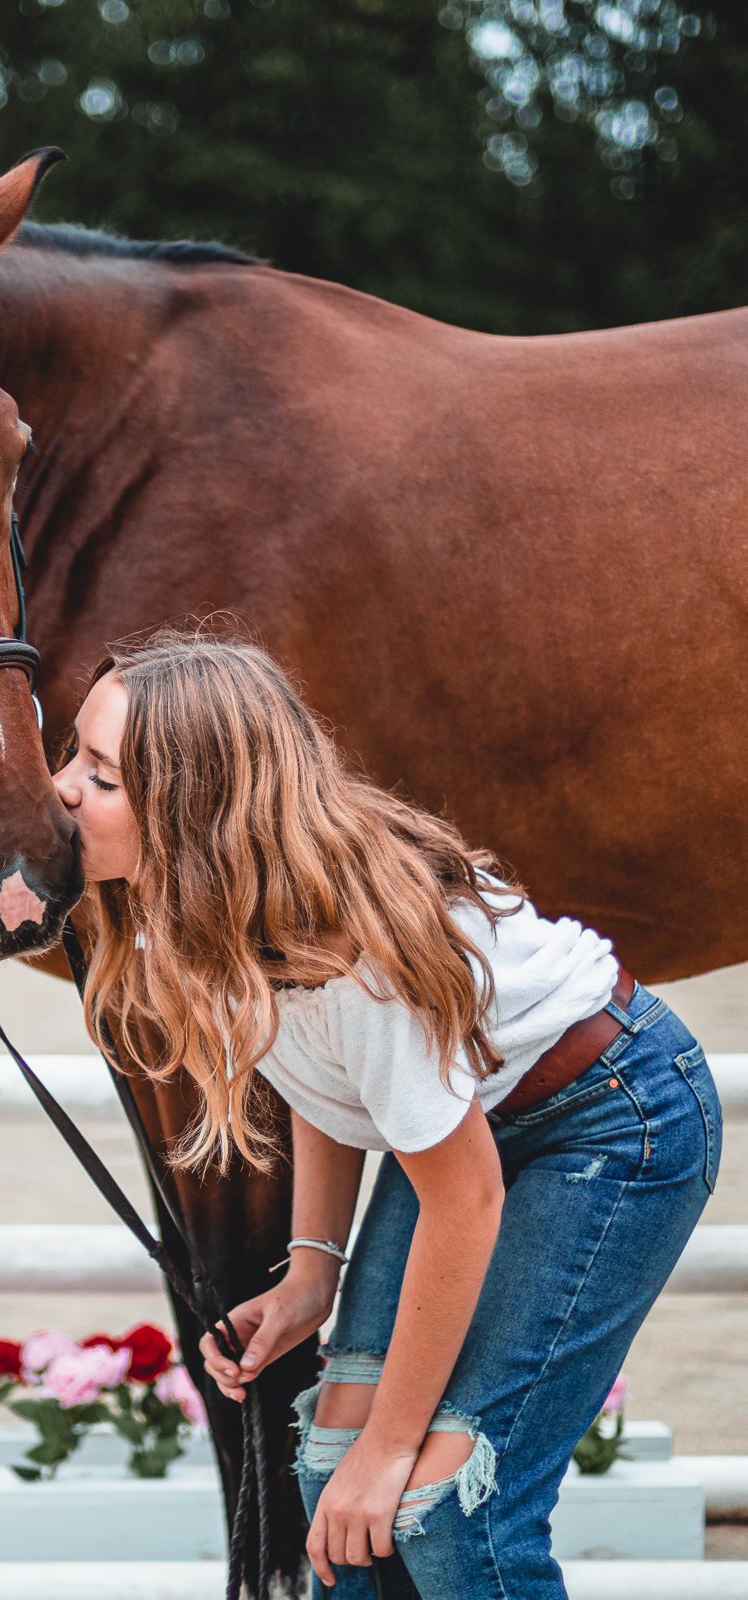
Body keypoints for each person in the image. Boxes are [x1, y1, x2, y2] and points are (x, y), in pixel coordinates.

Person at [50, 630, 720, 1599]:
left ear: (191, 809)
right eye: (73, 754)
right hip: (471, 1123)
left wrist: (392, 1445)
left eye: (100, 776)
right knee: (331, 1471)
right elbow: (332, 1082)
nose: (62, 787)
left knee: (445, 1511)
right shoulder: (211, 907)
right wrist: (310, 1275)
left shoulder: (352, 955)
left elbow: (463, 1199)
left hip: (608, 1117)